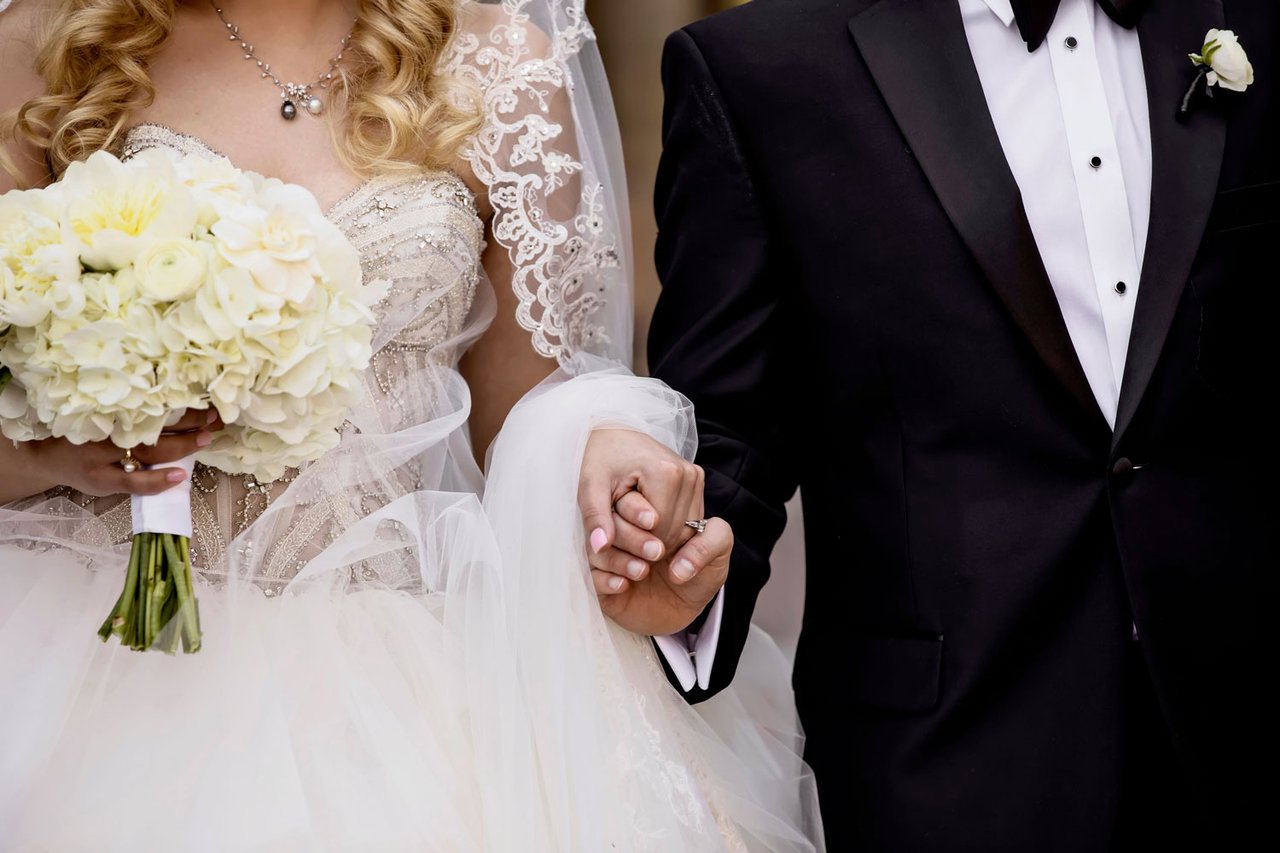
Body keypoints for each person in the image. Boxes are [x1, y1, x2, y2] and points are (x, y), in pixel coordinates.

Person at [0, 1, 822, 849]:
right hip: (81, 652)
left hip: (389, 680)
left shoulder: (499, 65)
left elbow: (526, 413)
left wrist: (600, 446)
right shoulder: (52, 49)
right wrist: (58, 451)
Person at [650, 0, 1276, 849]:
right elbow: (727, 431)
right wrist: (687, 570)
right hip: (949, 760)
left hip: (1248, 727)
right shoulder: (760, 68)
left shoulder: (1251, 19)